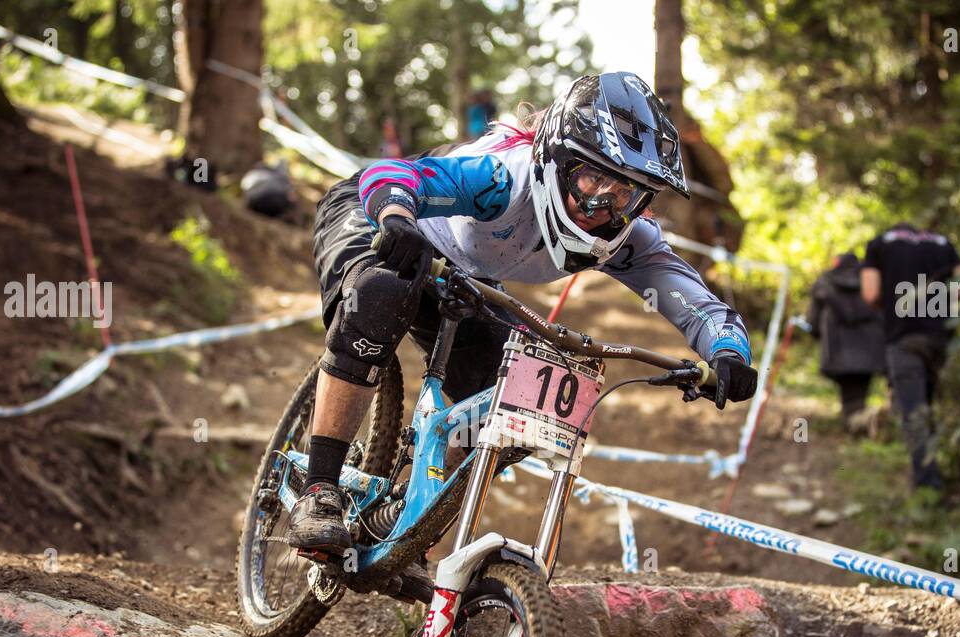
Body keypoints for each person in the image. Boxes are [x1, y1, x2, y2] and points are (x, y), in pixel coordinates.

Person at [290, 71, 759, 556]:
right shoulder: (502, 178)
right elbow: (393, 176)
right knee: (383, 290)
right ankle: (318, 490)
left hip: (463, 271)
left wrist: (727, 353)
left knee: (517, 402)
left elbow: (698, 306)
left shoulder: (627, 236)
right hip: (378, 212)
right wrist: (395, 218)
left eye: (626, 194)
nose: (603, 206)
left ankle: (403, 525)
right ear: (556, 159)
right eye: (593, 179)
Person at [860, 222, 960, 490]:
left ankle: (928, 486)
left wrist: (894, 308)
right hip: (940, 337)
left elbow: (870, 292)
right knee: (929, 405)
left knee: (913, 411)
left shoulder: (880, 243)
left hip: (904, 337)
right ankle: (939, 470)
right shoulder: (943, 242)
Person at [806, 251, 885, 431]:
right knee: (860, 390)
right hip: (869, 348)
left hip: (837, 349)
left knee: (848, 390)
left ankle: (855, 422)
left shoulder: (824, 283)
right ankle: (860, 422)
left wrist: (817, 335)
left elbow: (812, 321)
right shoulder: (871, 281)